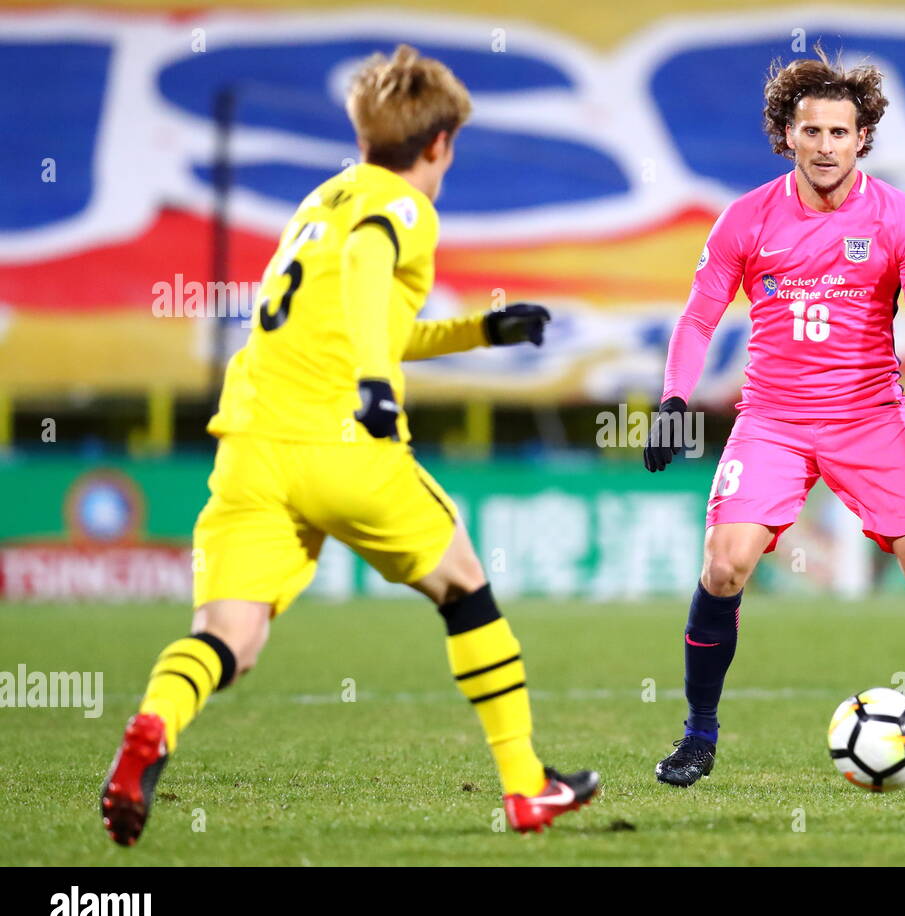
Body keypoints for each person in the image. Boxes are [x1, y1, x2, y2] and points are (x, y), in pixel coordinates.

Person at [100, 46, 598, 845]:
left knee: (231, 635)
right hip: (343, 443)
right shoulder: (399, 208)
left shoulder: (318, 203)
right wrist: (373, 387)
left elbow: (359, 322)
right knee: (464, 587)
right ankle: (524, 786)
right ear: (438, 145)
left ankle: (151, 730)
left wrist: (482, 330)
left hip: (254, 447)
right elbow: (371, 275)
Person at [644, 47, 905, 790]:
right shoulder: (746, 219)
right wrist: (674, 399)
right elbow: (696, 318)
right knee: (724, 565)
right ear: (786, 135)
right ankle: (698, 738)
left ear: (862, 138)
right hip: (773, 420)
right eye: (810, 131)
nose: (824, 146)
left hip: (870, 418)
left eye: (839, 133)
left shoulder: (901, 219)